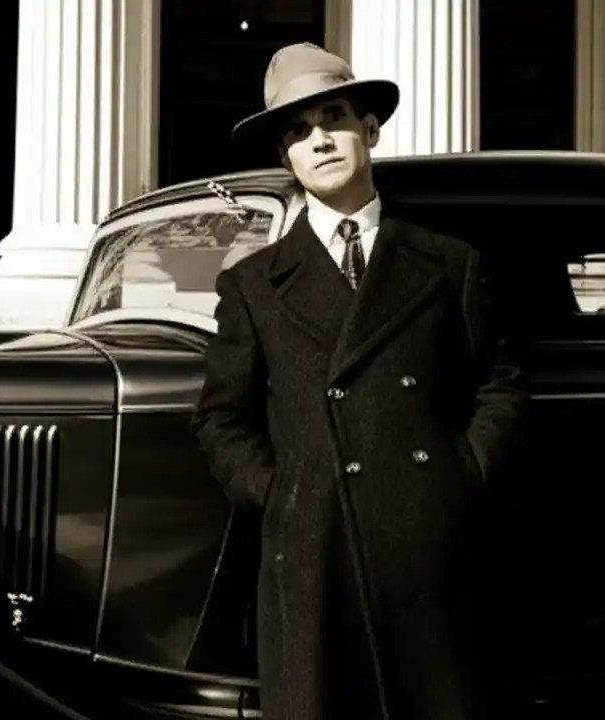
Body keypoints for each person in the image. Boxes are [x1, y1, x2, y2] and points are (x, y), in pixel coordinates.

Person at [191, 42, 527, 720]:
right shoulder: (253, 284)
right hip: (312, 555)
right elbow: (221, 419)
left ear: (369, 130)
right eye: (297, 130)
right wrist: (281, 494)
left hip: (427, 548)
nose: (318, 140)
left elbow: (499, 385)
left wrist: (461, 475)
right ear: (286, 157)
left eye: (333, 118)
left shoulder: (448, 262)